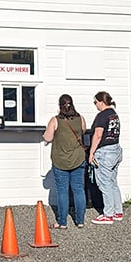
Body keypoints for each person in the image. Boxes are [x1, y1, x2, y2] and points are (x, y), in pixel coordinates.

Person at [43, 94, 87, 229]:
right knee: (79, 190)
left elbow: (48, 137)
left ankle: (62, 222)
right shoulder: (81, 119)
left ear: (59, 106)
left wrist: (45, 135)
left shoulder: (55, 120)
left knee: (62, 191)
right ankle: (80, 221)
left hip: (60, 160)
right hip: (78, 159)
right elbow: (83, 131)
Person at [89, 91, 123, 224]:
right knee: (113, 182)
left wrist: (91, 153)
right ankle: (117, 211)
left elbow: (98, 135)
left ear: (101, 102)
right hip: (116, 149)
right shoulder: (114, 115)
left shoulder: (102, 116)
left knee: (104, 183)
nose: (95, 105)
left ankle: (108, 214)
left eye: (95, 102)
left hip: (104, 152)